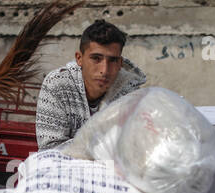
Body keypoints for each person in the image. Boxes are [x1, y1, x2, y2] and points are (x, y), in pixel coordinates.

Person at [34, 19, 147, 150]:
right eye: (96, 59)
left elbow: (134, 147)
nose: (104, 70)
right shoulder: (57, 85)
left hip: (111, 168)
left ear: (120, 64)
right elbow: (50, 149)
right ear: (79, 59)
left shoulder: (129, 92)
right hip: (65, 169)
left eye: (113, 60)